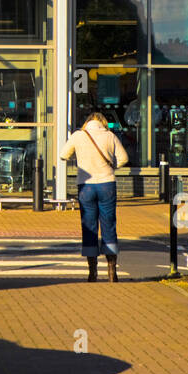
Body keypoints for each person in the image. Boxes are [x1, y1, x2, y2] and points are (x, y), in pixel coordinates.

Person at [60, 109, 129, 282]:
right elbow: (124, 158)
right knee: (109, 225)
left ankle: (92, 271)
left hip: (86, 185)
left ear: (87, 123)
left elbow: (63, 155)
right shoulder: (110, 136)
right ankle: (112, 270)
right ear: (103, 123)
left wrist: (80, 160)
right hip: (107, 183)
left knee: (89, 227)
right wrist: (112, 166)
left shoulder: (78, 135)